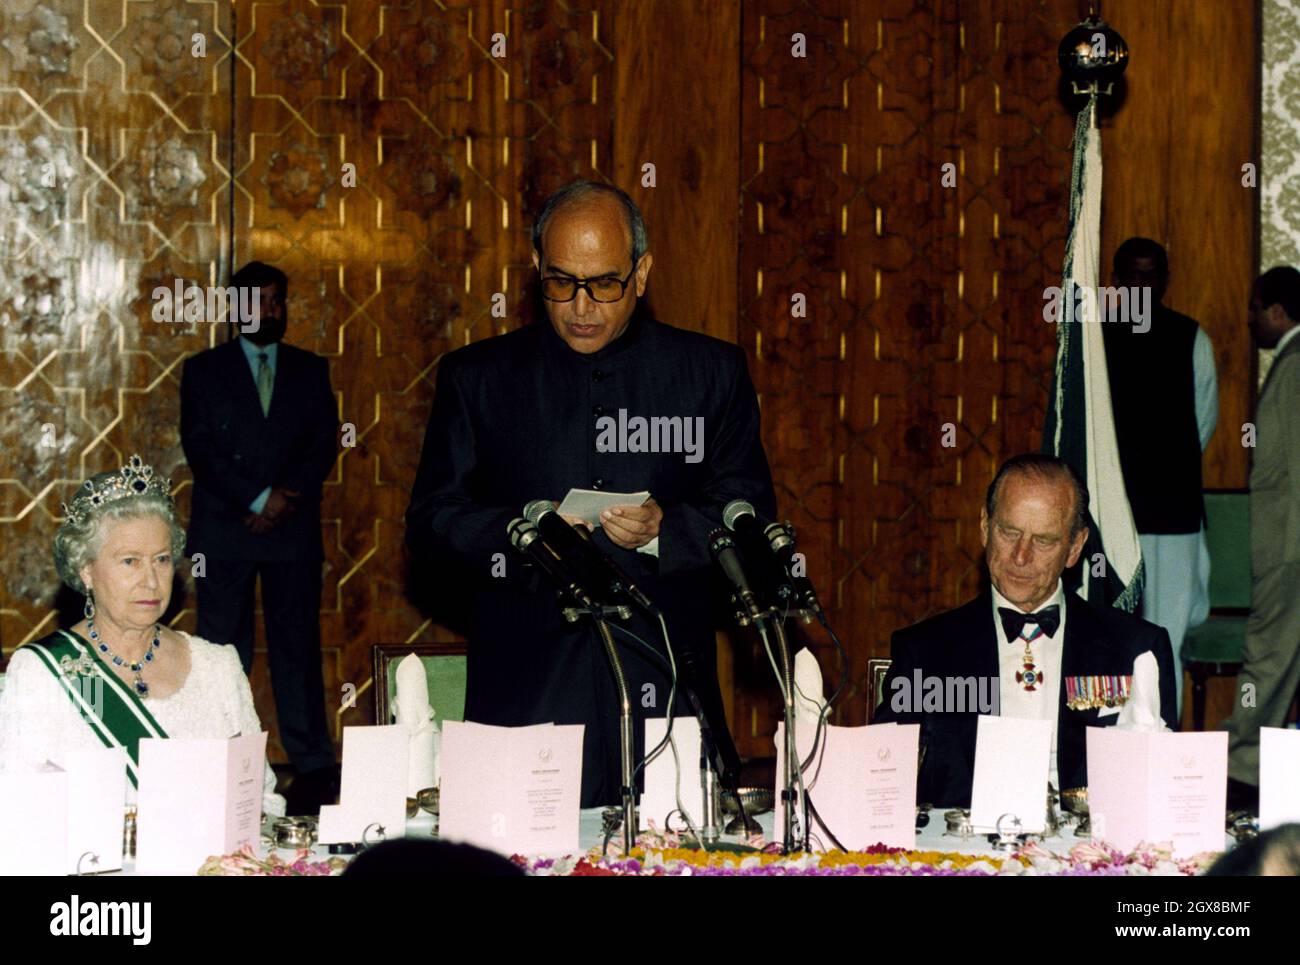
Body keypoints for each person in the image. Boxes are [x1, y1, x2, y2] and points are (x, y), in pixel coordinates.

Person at [405, 181, 776, 807]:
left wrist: (667, 530)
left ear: (642, 272)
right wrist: (524, 535)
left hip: (667, 686)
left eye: (604, 283)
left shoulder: (710, 373)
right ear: (534, 268)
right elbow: (430, 525)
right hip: (528, 690)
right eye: (561, 281)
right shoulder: (478, 379)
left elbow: (750, 517)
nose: (581, 306)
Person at [874, 454, 1178, 807]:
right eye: (1009, 532)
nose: (1021, 556)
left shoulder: (1136, 649)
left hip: (1089, 851)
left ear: (1075, 547)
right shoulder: (926, 652)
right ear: (985, 527)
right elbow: (883, 780)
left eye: (1044, 540)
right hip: (963, 851)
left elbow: (1161, 785)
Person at [0, 456, 284, 816]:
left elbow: (262, 803)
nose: (151, 581)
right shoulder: (47, 674)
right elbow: (18, 816)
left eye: (162, 559)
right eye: (130, 561)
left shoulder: (218, 667)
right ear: (86, 569)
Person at [180, 261, 339, 813]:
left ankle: (314, 765)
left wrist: (281, 499)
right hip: (226, 529)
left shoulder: (310, 369)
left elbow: (322, 444)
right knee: (224, 650)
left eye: (276, 301)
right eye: (257, 302)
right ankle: (221, 758)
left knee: (297, 647)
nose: (268, 311)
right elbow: (201, 449)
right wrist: (255, 498)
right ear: (235, 308)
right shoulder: (203, 371)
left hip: (290, 532)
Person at [1104, 237, 1218, 721]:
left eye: (1151, 275)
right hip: (1112, 515)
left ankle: (1165, 749)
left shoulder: (1192, 338)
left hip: (1173, 519)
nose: (1141, 285)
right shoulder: (1094, 340)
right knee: (1111, 638)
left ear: (1165, 281)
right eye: (1132, 274)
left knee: (1165, 637)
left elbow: (1203, 421)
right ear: (1116, 280)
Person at [1225, 266, 1300, 809]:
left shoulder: (1295, 368)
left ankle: (1237, 776)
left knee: (1268, 658)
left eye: (1255, 309)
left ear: (1278, 312)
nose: (1251, 320)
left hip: (1290, 549)